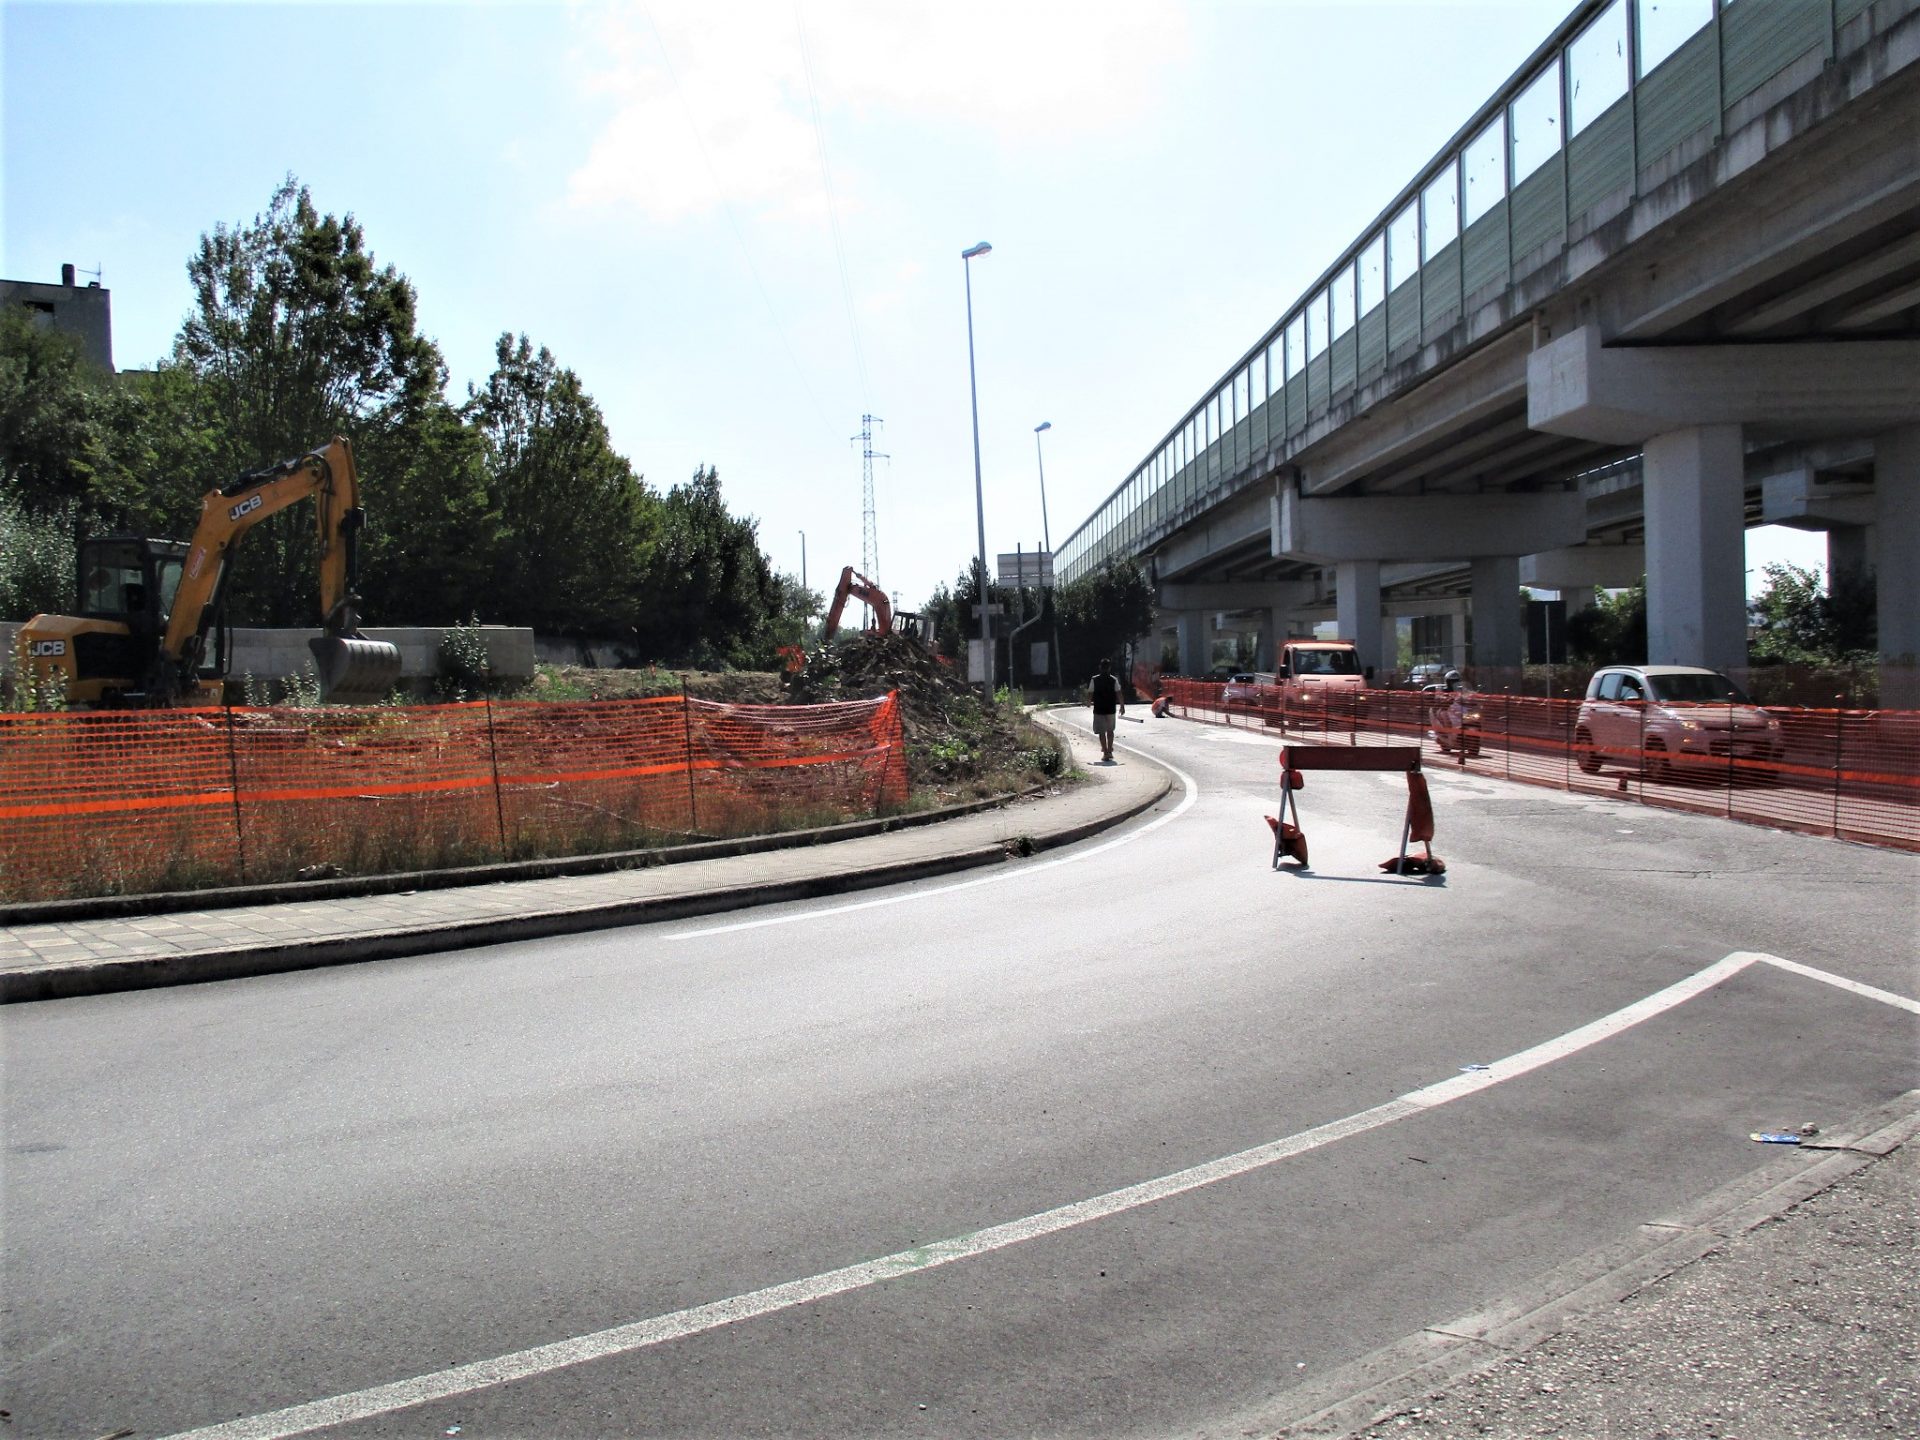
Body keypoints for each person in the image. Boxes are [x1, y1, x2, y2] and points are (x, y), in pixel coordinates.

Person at [1089, 657, 1126, 762]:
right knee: (1110, 731)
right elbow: (1119, 693)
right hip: (1110, 709)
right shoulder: (1113, 679)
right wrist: (1122, 706)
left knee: (1101, 732)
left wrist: (1088, 702)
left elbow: (1090, 692)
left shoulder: (1094, 679)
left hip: (1099, 709)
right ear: (1109, 668)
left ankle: (1105, 752)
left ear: (1100, 667)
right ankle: (1109, 751)